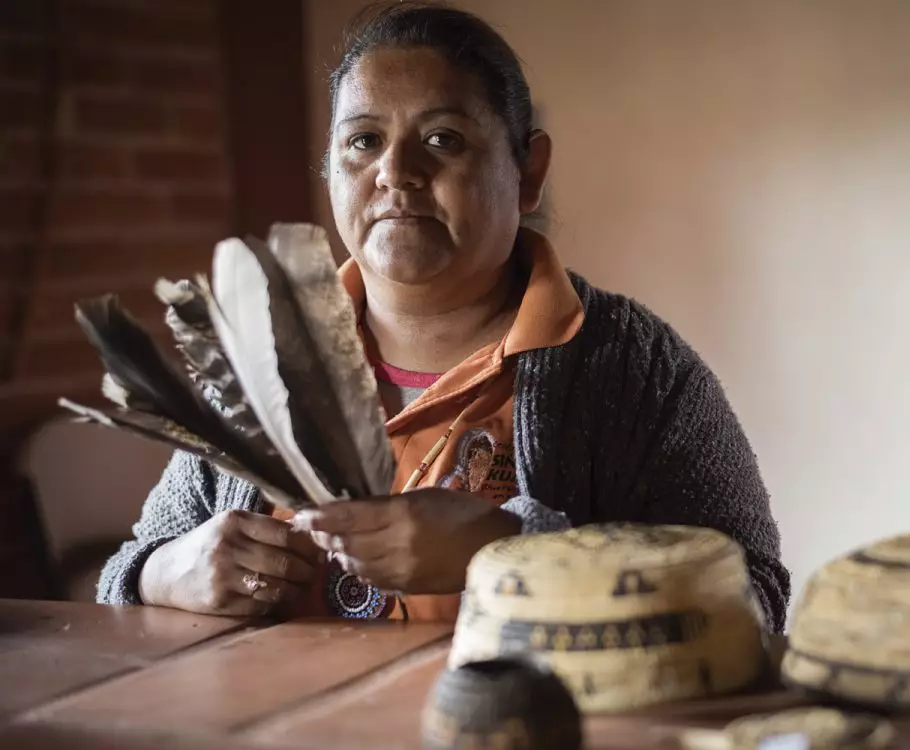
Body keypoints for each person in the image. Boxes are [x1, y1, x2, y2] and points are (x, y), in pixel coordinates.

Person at [97, 0, 791, 631]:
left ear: (528, 172)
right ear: (330, 169)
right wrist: (167, 572)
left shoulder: (633, 367)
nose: (395, 172)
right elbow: (119, 583)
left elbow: (753, 599)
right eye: (362, 141)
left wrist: (506, 551)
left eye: (443, 140)